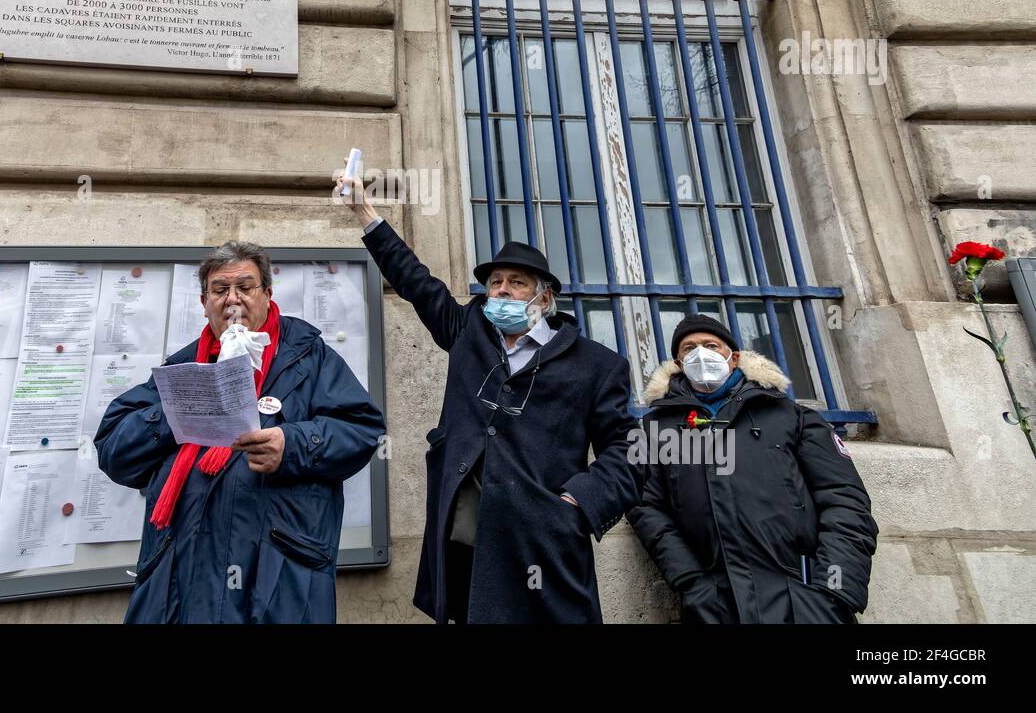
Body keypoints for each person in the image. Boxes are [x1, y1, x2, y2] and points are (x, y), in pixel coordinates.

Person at [335, 165, 638, 623]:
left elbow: (628, 450)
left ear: (544, 297)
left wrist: (580, 503)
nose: (501, 290)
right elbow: (415, 280)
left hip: (543, 544)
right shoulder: (468, 332)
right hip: (465, 539)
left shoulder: (597, 365)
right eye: (495, 281)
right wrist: (365, 211)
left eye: (516, 282)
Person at [95, 240, 385, 623]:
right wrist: (179, 412)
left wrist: (293, 444)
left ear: (266, 294)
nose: (232, 299)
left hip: (279, 581)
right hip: (178, 585)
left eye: (245, 288)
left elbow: (362, 430)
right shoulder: (182, 367)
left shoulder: (309, 358)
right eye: (220, 290)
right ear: (204, 303)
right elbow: (114, 450)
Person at [627, 313, 878, 623]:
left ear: (733, 358)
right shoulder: (655, 430)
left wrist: (834, 589)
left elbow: (845, 501)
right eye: (689, 349)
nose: (701, 355)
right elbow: (645, 507)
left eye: (711, 345)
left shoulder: (792, 416)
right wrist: (691, 582)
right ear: (677, 365)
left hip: (805, 599)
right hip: (715, 605)